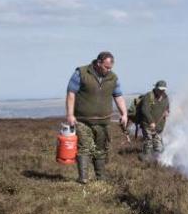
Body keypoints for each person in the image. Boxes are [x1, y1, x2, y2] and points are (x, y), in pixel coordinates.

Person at [65, 51, 128, 183]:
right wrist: (70, 115)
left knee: (101, 149)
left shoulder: (113, 78)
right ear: (98, 63)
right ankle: (83, 178)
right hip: (82, 120)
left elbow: (118, 96)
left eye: (111, 67)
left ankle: (101, 177)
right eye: (106, 67)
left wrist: (124, 113)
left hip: (103, 121)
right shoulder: (81, 73)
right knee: (84, 148)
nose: (108, 70)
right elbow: (71, 93)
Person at [137, 80, 170, 162]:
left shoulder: (165, 97)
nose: (162, 91)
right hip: (147, 125)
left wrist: (167, 112)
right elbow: (144, 110)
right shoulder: (149, 96)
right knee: (148, 142)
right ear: (156, 88)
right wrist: (151, 121)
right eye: (160, 89)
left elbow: (167, 108)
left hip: (159, 126)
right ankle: (145, 162)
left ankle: (156, 162)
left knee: (158, 146)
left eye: (163, 89)